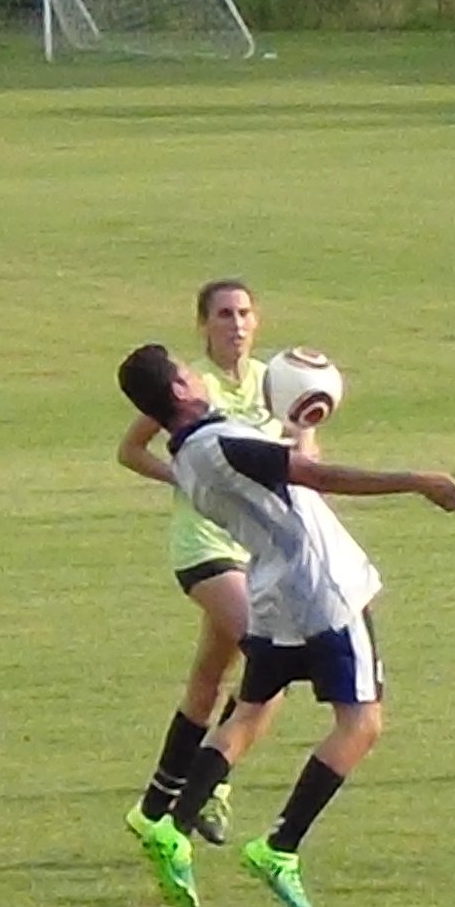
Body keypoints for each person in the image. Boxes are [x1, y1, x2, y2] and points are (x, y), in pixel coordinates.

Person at [116, 343, 455, 907]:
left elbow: (280, 470)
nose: (196, 377)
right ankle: (279, 847)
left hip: (272, 594)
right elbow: (318, 475)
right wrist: (417, 481)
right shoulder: (223, 444)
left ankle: (172, 827)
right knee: (362, 724)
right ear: (180, 390)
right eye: (186, 372)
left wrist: (298, 421)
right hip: (327, 591)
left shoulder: (189, 457)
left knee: (251, 713)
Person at [117, 280, 316, 848]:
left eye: (245, 312)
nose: (236, 323)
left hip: (257, 548)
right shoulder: (188, 386)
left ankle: (154, 807)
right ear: (203, 324)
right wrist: (183, 477)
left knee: (208, 680)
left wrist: (308, 429)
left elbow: (303, 462)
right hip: (205, 546)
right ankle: (212, 787)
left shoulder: (276, 383)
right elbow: (131, 450)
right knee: (270, 661)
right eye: (224, 314)